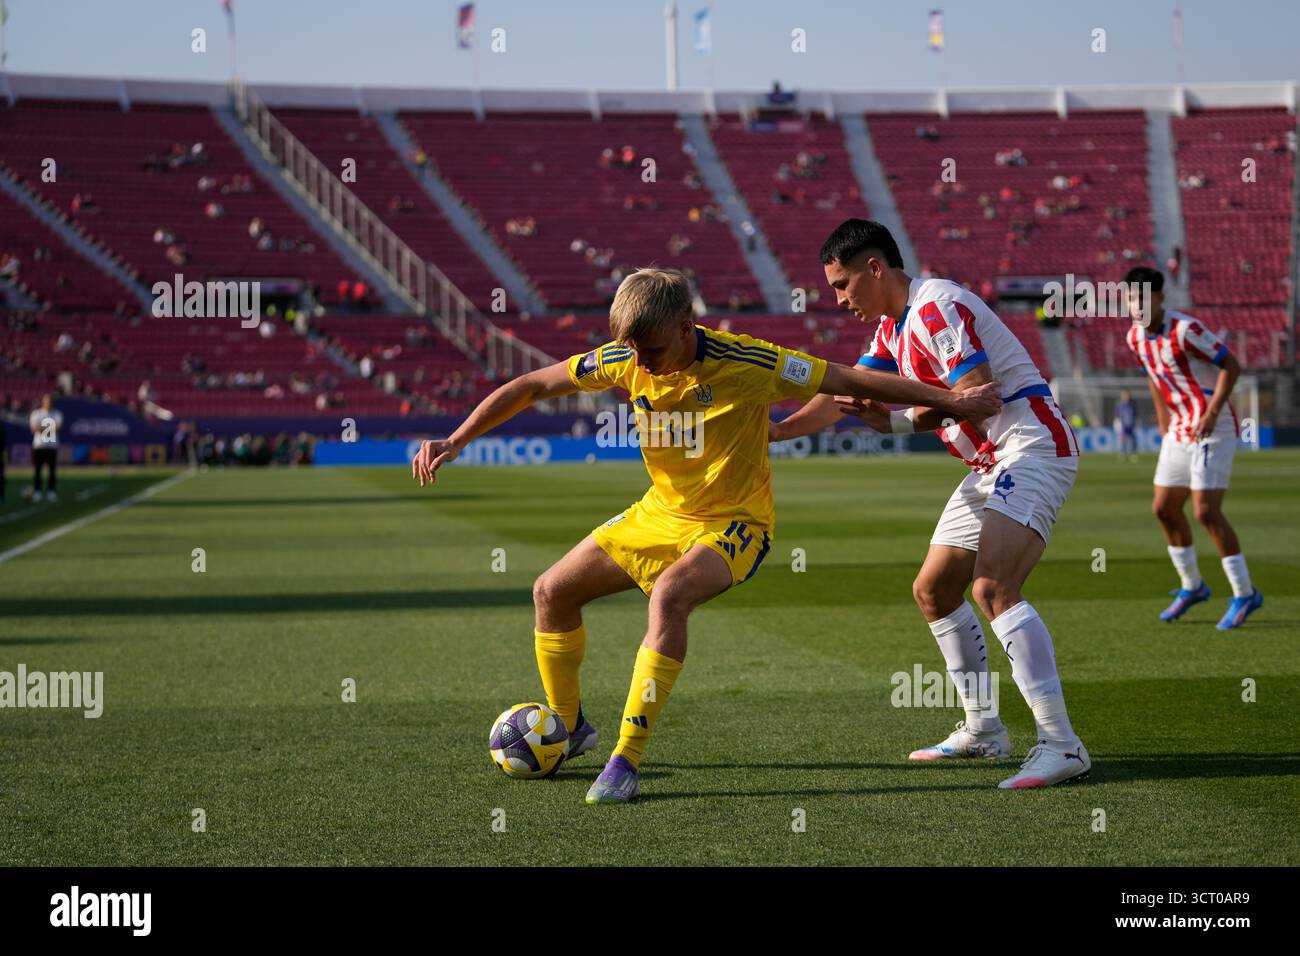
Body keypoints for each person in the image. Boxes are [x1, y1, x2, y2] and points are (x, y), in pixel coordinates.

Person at [411, 267, 1000, 804]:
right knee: (551, 592)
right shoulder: (624, 356)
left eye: (652, 349)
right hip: (661, 513)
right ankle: (569, 728)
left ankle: (625, 760)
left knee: (670, 595)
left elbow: (844, 377)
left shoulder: (750, 362)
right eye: (632, 350)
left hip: (736, 521)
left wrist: (949, 399)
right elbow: (533, 386)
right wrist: (455, 439)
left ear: (687, 328)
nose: (639, 363)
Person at [772, 219, 1089, 789]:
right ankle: (984, 730)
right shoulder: (893, 330)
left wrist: (892, 424)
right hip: (990, 463)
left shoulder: (935, 308)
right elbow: (845, 392)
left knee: (991, 589)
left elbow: (976, 398)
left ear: (876, 268)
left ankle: (1063, 745)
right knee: (934, 590)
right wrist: (775, 433)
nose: (840, 300)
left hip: (1031, 445)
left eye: (843, 285)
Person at [1122, 266, 1262, 630]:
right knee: (1165, 509)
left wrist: (1213, 411)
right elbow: (1153, 378)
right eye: (1130, 298)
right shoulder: (1134, 338)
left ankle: (1245, 593)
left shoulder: (1186, 331)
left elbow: (1231, 364)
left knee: (1205, 512)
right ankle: (1193, 586)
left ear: (1160, 299)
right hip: (1180, 429)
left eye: (1143, 298)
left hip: (1213, 425)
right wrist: (1164, 421)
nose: (1136, 305)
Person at [30, 393, 63, 503]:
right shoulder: (36, 413)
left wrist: (42, 427)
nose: (48, 402)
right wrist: (49, 428)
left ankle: (51, 492)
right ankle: (37, 492)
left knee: (52, 470)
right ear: (43, 401)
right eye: (46, 400)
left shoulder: (57, 414)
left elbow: (58, 428)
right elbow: (34, 428)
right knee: (37, 470)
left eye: (50, 400)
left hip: (51, 446)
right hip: (39, 446)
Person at [1115, 388, 1138, 461]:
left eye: (1126, 394)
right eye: (1124, 394)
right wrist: (1117, 422)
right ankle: (1122, 453)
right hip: (1123, 424)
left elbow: (1135, 414)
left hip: (1131, 424)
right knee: (1122, 439)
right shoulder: (1120, 404)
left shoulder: (1132, 404)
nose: (1125, 396)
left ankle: (1133, 453)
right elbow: (1117, 414)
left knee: (1132, 438)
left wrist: (1136, 422)